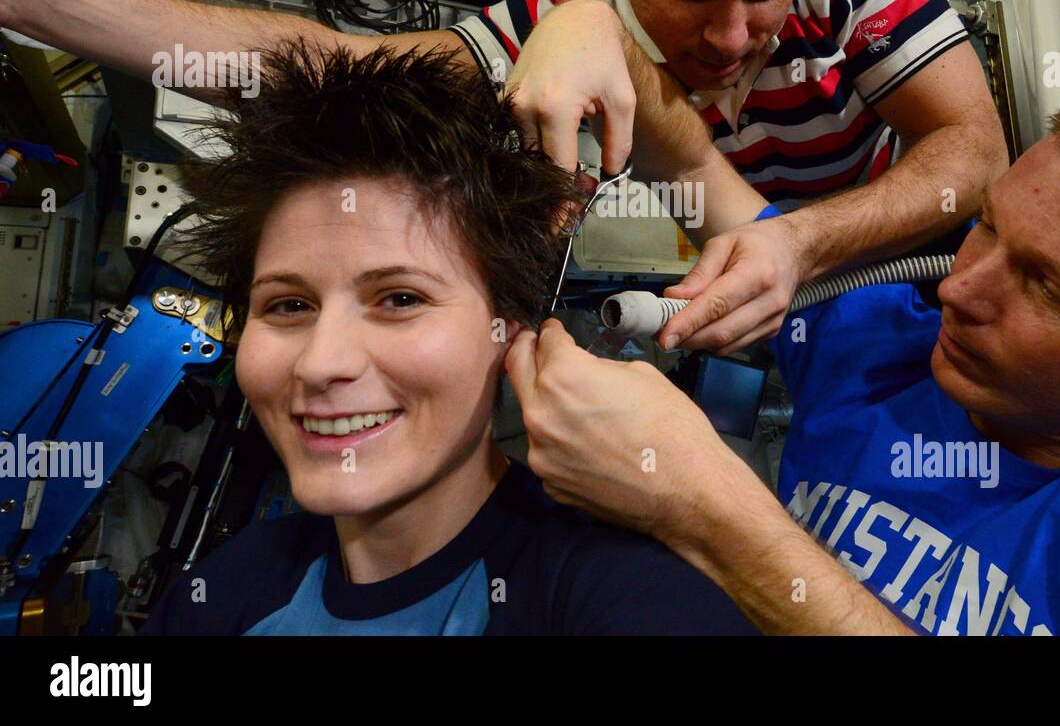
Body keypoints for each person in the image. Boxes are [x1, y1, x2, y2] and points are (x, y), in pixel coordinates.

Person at [0, 0, 1006, 355]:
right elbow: (331, 59)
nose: (735, 35)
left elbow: (974, 154)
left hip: (921, 277)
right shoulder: (571, 18)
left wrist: (803, 243)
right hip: (776, 299)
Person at [507, 84, 1060, 635]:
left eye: (1053, 288)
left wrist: (709, 511)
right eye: (987, 228)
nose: (959, 289)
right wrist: (592, 31)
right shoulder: (892, 343)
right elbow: (685, 159)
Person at [141, 40, 756, 635]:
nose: (320, 363)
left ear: (510, 330)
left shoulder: (622, 596)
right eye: (289, 305)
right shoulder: (216, 599)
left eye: (400, 299)